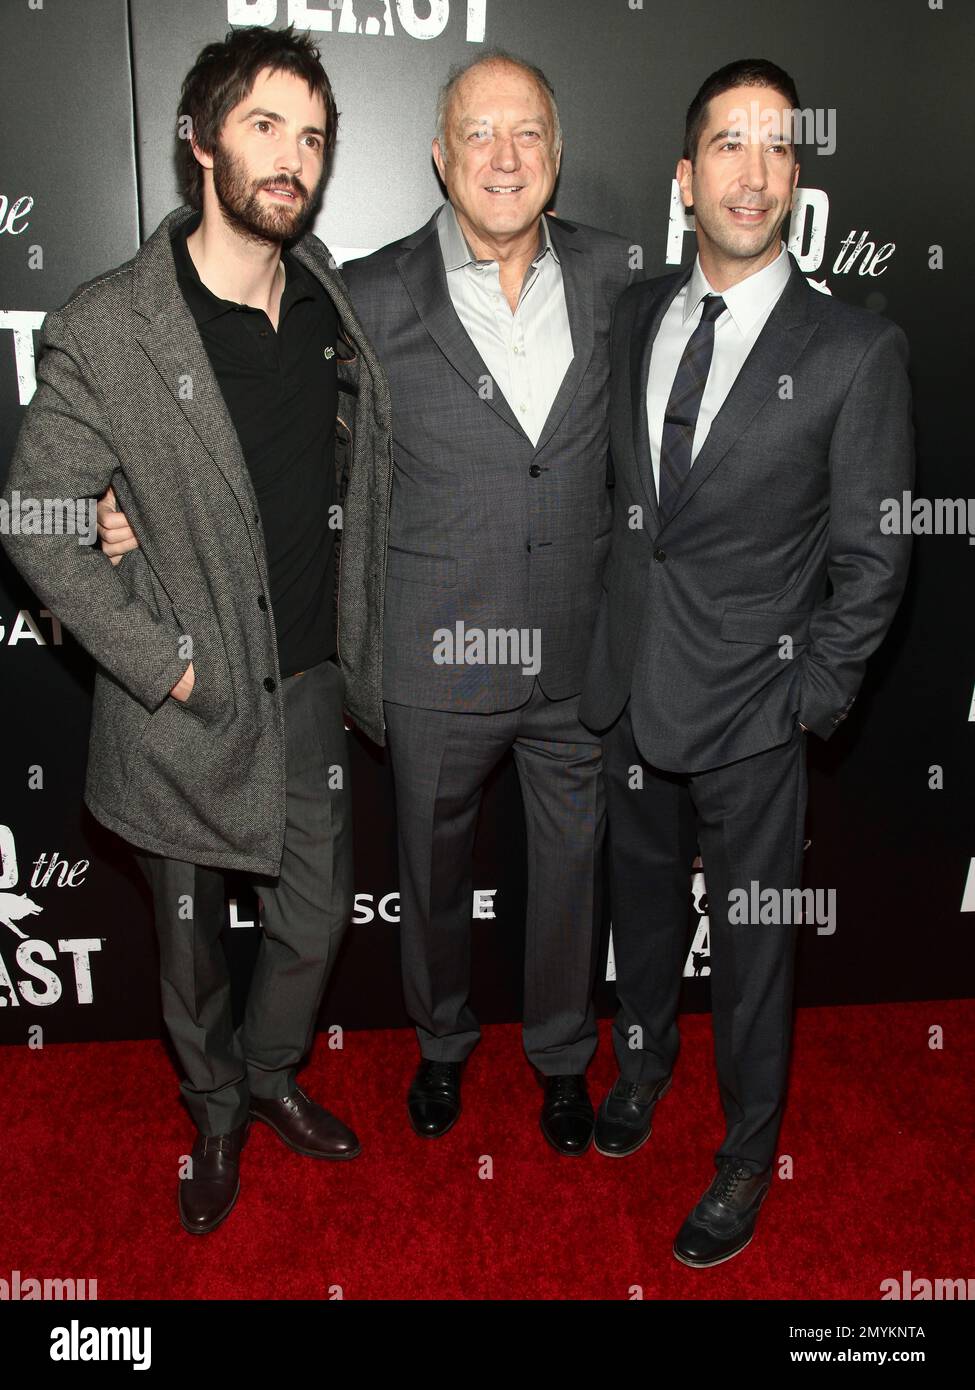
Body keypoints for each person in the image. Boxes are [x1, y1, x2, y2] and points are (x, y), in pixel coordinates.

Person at [2, 25, 392, 1235]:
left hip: (314, 680)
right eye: (265, 126)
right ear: (201, 143)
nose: (293, 159)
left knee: (313, 912)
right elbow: (39, 515)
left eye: (313, 136)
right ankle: (214, 1108)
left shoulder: (331, 303)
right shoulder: (112, 324)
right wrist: (163, 662)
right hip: (185, 693)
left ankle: (270, 1077)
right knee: (188, 948)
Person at [579, 58, 914, 1264]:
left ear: (797, 177)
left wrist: (803, 702)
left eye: (777, 147)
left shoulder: (853, 351)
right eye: (729, 143)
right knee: (642, 912)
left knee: (759, 951)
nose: (753, 170)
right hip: (627, 689)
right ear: (686, 174)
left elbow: (877, 562)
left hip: (755, 712)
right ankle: (643, 1064)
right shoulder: (634, 314)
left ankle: (743, 1153)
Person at [339, 50, 639, 1154]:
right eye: (478, 133)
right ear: (438, 155)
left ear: (556, 159)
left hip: (576, 653)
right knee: (430, 871)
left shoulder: (623, 279)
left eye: (526, 135)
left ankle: (564, 1057)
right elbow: (289, 436)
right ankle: (441, 1044)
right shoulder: (368, 293)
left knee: (572, 875)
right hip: (436, 651)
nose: (503, 157)